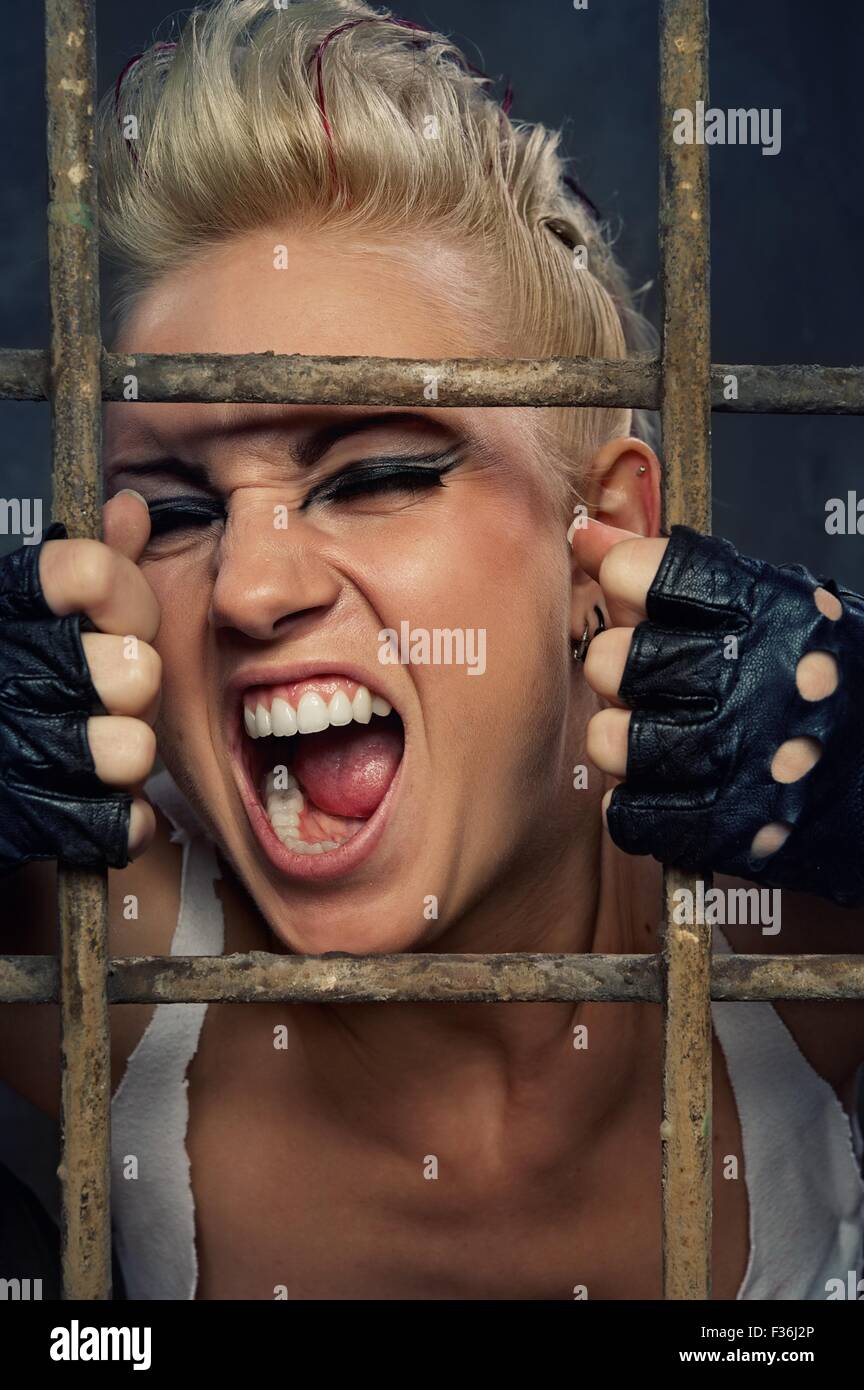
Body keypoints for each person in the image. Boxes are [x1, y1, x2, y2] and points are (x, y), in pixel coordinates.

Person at [0, 0, 862, 1300]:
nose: (247, 584)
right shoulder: (91, 952)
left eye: (378, 472)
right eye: (175, 510)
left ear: (603, 536)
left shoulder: (801, 932)